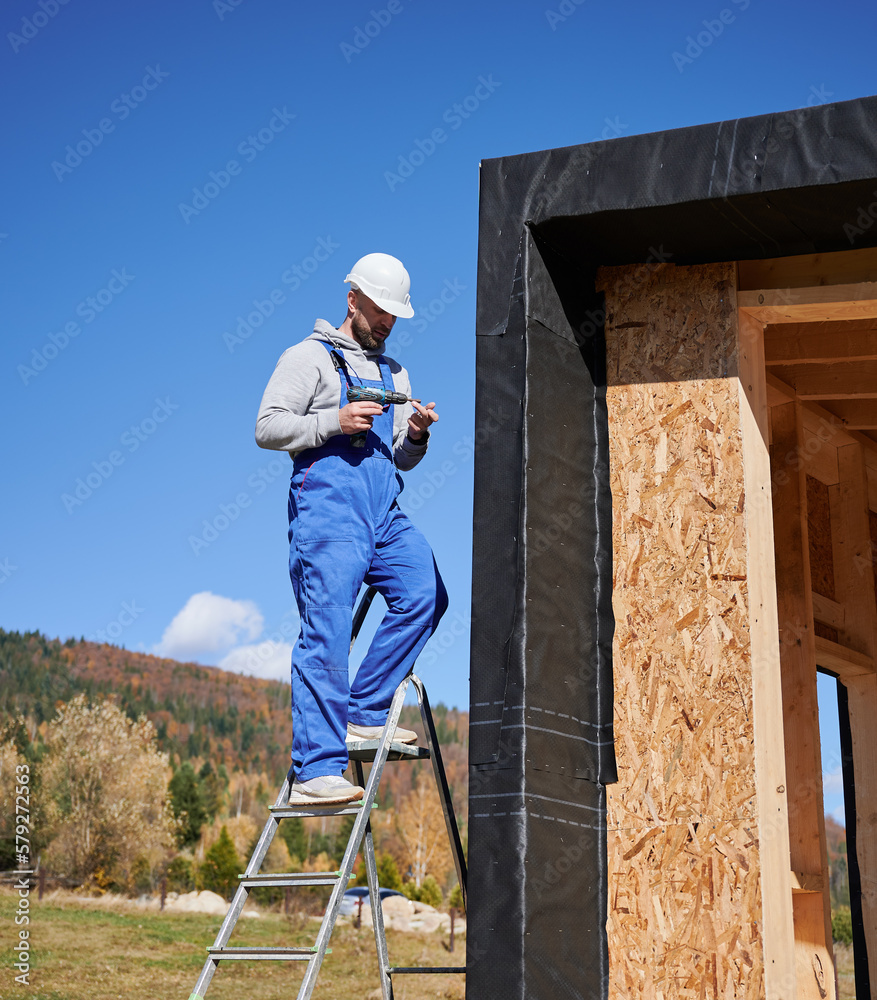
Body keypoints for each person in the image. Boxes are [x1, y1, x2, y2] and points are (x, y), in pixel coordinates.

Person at [255, 252, 448, 805]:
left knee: (426, 593)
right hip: (329, 512)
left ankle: (364, 713)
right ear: (352, 300)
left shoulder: (395, 373)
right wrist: (331, 421)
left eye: (396, 315)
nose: (388, 321)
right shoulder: (308, 357)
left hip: (383, 511)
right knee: (328, 630)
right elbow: (267, 427)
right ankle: (316, 769)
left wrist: (414, 437)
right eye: (381, 310)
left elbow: (399, 459)